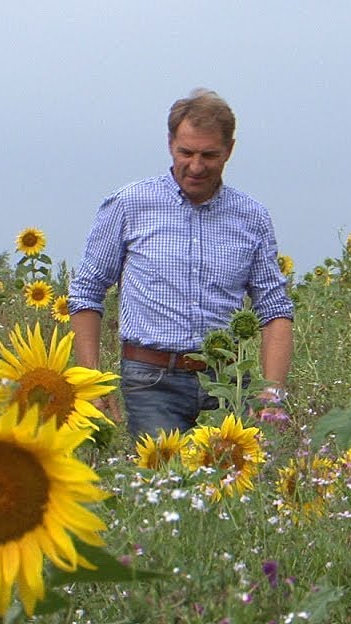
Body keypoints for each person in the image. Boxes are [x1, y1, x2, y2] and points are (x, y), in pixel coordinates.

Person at [67, 88, 294, 439]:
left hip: (227, 382)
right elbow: (87, 292)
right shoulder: (130, 205)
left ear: (229, 150)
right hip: (152, 380)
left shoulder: (252, 217)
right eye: (186, 152)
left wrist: (272, 392)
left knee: (230, 489)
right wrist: (92, 382)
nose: (196, 166)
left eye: (209, 154)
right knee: (164, 483)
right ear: (170, 143)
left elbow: (275, 309)